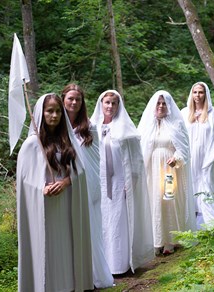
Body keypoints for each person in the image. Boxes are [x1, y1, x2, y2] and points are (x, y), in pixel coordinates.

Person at [16, 93, 93, 291]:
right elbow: (25, 181)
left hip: (67, 205)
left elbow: (81, 171)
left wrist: (67, 182)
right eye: (50, 111)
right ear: (41, 113)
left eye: (58, 111)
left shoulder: (67, 140)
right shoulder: (31, 144)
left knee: (66, 249)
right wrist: (42, 188)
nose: (55, 115)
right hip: (45, 208)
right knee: (47, 249)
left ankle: (68, 286)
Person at [90, 90, 154, 275]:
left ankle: (118, 264)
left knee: (117, 221)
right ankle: (101, 265)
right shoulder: (93, 127)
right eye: (107, 102)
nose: (110, 106)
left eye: (114, 103)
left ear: (118, 106)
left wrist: (131, 180)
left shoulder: (126, 128)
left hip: (119, 182)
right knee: (101, 220)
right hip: (99, 181)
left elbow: (136, 159)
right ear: (101, 103)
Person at [61, 84, 114, 288]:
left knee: (89, 229)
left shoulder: (89, 128)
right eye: (70, 99)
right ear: (63, 99)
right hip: (65, 183)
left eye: (78, 99)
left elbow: (94, 161)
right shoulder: (56, 126)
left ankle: (91, 274)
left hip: (86, 184)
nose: (74, 103)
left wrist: (91, 188)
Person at [137, 90, 196, 255]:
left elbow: (184, 149)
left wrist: (176, 158)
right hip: (152, 170)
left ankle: (170, 241)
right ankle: (155, 240)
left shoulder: (176, 124)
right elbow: (140, 148)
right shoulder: (147, 124)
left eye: (164, 103)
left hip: (169, 170)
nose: (161, 106)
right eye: (158, 103)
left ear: (168, 105)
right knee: (153, 201)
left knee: (168, 200)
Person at [181, 82, 214, 228]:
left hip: (208, 161)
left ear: (206, 94)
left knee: (208, 188)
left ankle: (211, 224)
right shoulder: (184, 113)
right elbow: (179, 137)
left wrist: (209, 161)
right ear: (191, 94)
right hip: (190, 160)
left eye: (200, 92)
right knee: (190, 188)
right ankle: (190, 225)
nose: (197, 96)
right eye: (195, 92)